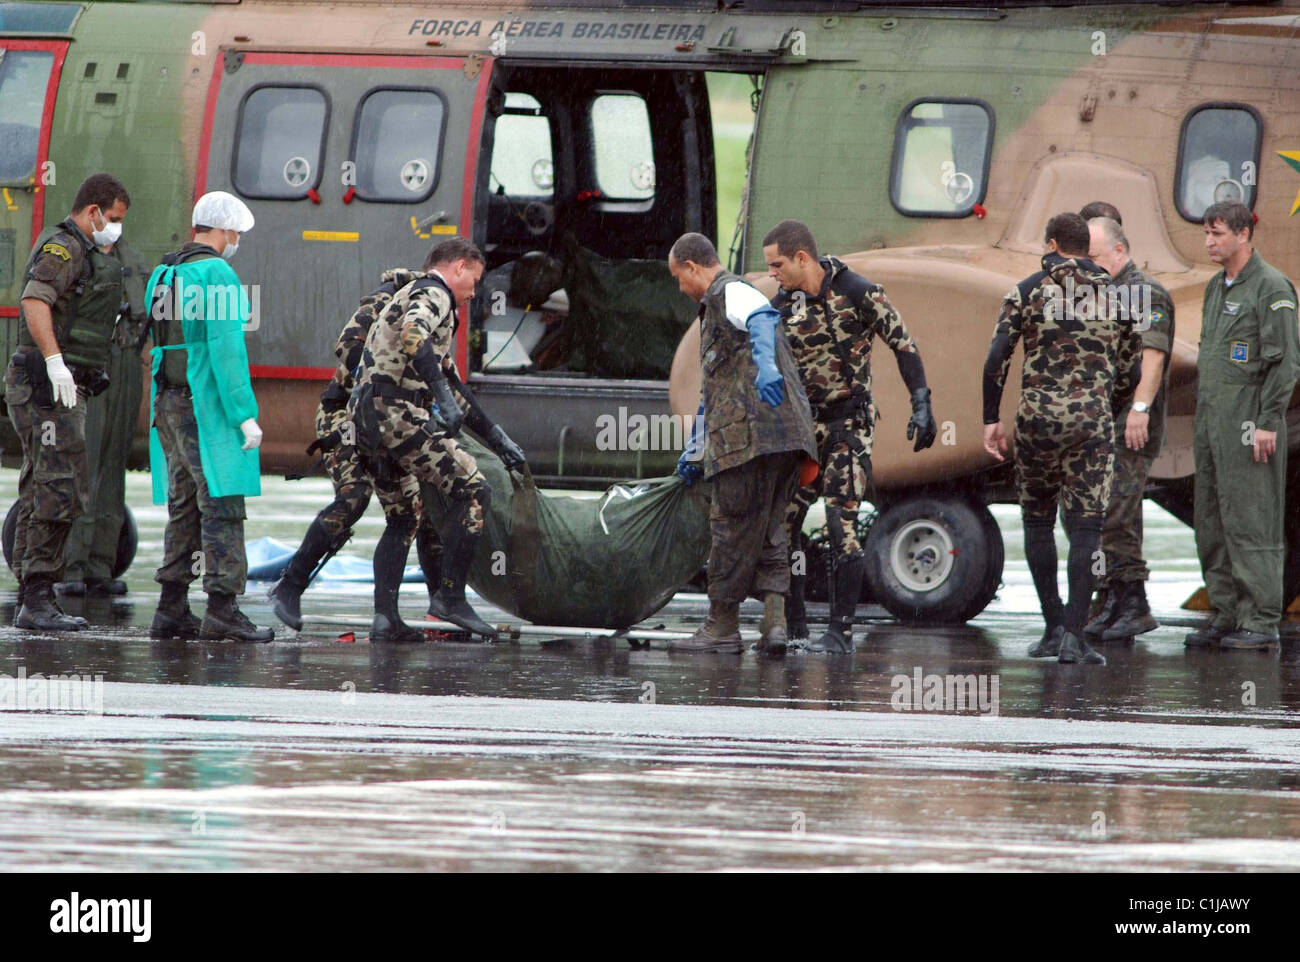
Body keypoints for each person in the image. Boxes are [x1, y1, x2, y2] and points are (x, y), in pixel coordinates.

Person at [762, 219, 937, 653]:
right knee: (785, 524)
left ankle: (840, 631)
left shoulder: (857, 290)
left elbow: (903, 344)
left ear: (802, 257)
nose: (773, 273)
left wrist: (921, 403)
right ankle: (795, 624)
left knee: (843, 526)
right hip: (803, 431)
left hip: (848, 427)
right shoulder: (782, 304)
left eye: (778, 264)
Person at [982, 212, 1142, 666]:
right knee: (1086, 529)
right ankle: (1075, 635)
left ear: (1052, 243)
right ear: (1085, 246)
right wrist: (1105, 411)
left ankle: (1052, 627)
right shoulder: (1119, 295)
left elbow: (997, 359)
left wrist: (991, 418)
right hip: (1091, 425)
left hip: (1036, 423)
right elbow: (1131, 369)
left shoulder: (1028, 290)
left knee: (1037, 522)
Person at [348, 237, 526, 642]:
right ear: (459, 267)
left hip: (370, 422)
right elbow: (414, 335)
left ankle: (385, 618)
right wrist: (440, 399)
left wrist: (498, 439)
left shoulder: (414, 294)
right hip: (397, 416)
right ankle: (449, 598)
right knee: (474, 489)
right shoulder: (434, 292)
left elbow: (452, 385)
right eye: (475, 280)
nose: (474, 292)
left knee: (402, 517)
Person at [267, 268, 444, 632]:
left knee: (415, 512)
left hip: (392, 419)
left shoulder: (441, 308)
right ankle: (290, 585)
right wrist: (386, 379)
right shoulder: (394, 298)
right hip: (345, 416)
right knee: (355, 496)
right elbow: (348, 348)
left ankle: (412, 613)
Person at [669, 232, 816, 654]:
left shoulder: (728, 291)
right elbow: (715, 389)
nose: (681, 287)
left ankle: (721, 628)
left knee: (730, 530)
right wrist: (697, 444)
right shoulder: (720, 305)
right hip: (787, 438)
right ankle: (774, 627)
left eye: (679, 277)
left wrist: (766, 365)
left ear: (694, 267)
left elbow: (761, 317)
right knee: (771, 532)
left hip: (748, 441)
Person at [145, 191, 272, 642]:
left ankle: (171, 607)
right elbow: (226, 349)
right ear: (223, 230)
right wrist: (245, 415)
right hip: (204, 403)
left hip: (167, 401)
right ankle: (222, 608)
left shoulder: (165, 271)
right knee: (221, 500)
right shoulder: (216, 273)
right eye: (235, 232)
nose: (236, 240)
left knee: (183, 505)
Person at [5, 173, 131, 630]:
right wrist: (57, 363)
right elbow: (35, 302)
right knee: (59, 488)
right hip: (44, 385)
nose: (115, 229)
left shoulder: (86, 250)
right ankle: (37, 598)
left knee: (44, 485)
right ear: (93, 211)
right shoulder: (64, 248)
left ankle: (32, 597)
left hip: (51, 385)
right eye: (113, 219)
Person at [1185, 201, 1299, 650]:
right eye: (1207, 234)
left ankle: (1260, 619)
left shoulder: (1271, 288)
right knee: (1211, 518)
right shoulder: (1217, 287)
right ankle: (1227, 610)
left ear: (1243, 234)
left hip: (1251, 422)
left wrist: (1269, 422)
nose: (1209, 242)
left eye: (1217, 234)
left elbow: (1286, 363)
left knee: (1253, 518)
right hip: (1212, 423)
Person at [1082, 213, 1175, 644]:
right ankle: (1113, 600)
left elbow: (1152, 358)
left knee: (1117, 510)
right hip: (1104, 422)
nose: (1091, 263)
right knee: (1108, 513)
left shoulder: (1145, 293)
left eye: (1096, 255)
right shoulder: (1105, 291)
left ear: (1120, 250)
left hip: (1130, 424)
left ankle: (1133, 603)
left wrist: (1139, 409)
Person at [57, 231, 150, 597]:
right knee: (85, 462)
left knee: (113, 467)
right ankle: (71, 565)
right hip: (91, 361)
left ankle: (100, 565)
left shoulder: (133, 258)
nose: (115, 225)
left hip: (127, 362)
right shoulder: (76, 257)